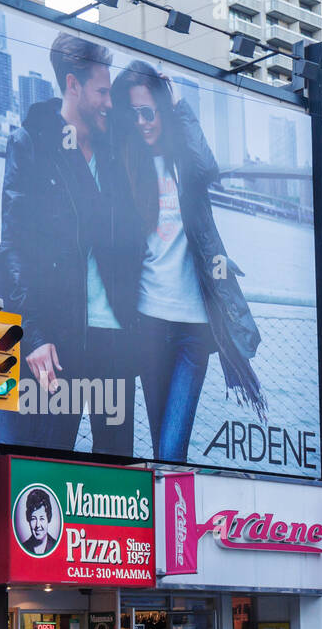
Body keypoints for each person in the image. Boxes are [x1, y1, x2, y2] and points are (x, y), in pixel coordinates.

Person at [110, 60, 265, 461]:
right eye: (135, 114)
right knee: (163, 448)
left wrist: (178, 102)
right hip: (148, 325)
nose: (143, 122)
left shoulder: (185, 166)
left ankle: (170, 521)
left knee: (172, 450)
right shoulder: (128, 165)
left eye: (150, 112)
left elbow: (207, 166)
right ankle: (162, 524)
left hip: (193, 331)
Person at [0, 33, 136, 454]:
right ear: (72, 85)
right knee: (46, 469)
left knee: (117, 481)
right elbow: (12, 248)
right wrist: (31, 336)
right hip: (55, 341)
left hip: (113, 343)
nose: (109, 103)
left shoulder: (114, 155)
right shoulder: (32, 144)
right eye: (102, 92)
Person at [19, 488, 58, 555]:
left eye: (42, 518)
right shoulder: (22, 548)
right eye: (33, 519)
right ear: (28, 519)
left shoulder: (57, 546)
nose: (38, 525)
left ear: (48, 518)